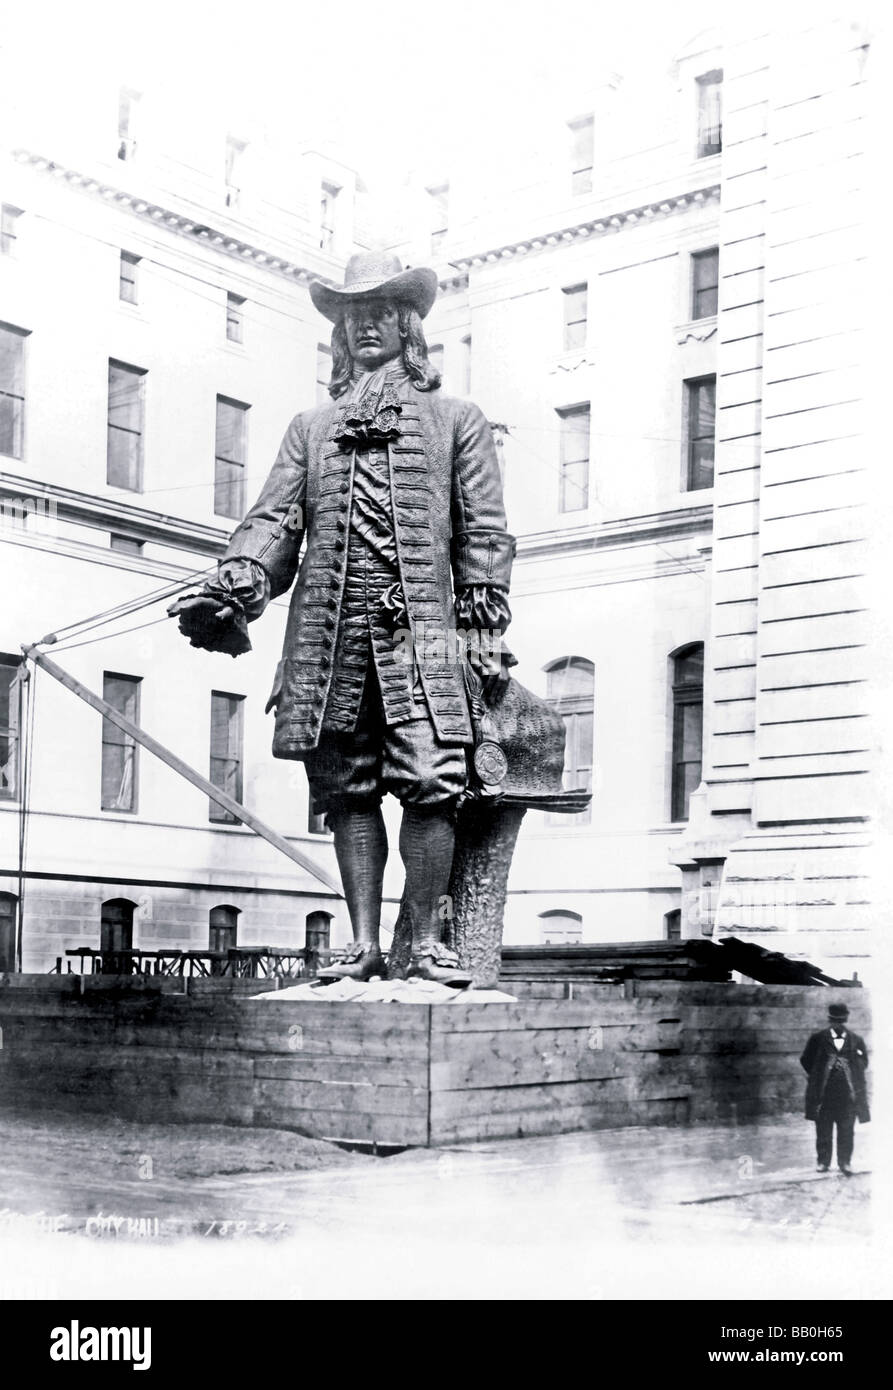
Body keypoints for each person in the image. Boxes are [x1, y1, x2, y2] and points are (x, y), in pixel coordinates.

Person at [172, 251, 515, 984]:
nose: (366, 326)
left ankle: (423, 943)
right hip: (330, 640)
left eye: (382, 311)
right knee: (346, 790)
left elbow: (483, 531)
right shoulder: (310, 427)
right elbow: (272, 523)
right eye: (353, 315)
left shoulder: (457, 420)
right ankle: (361, 943)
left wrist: (484, 627)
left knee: (432, 779)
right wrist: (237, 583)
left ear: (408, 324)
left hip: (423, 640)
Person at [800, 1002, 869, 1174]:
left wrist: (849, 1073)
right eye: (834, 1021)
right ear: (830, 1020)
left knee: (847, 1130)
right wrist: (819, 1075)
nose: (837, 1025)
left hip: (848, 1095)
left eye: (841, 1021)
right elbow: (806, 1060)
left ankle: (845, 1163)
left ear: (845, 1021)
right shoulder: (817, 1039)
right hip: (824, 1094)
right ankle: (823, 1162)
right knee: (823, 1129)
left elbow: (863, 1063)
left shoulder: (856, 1040)